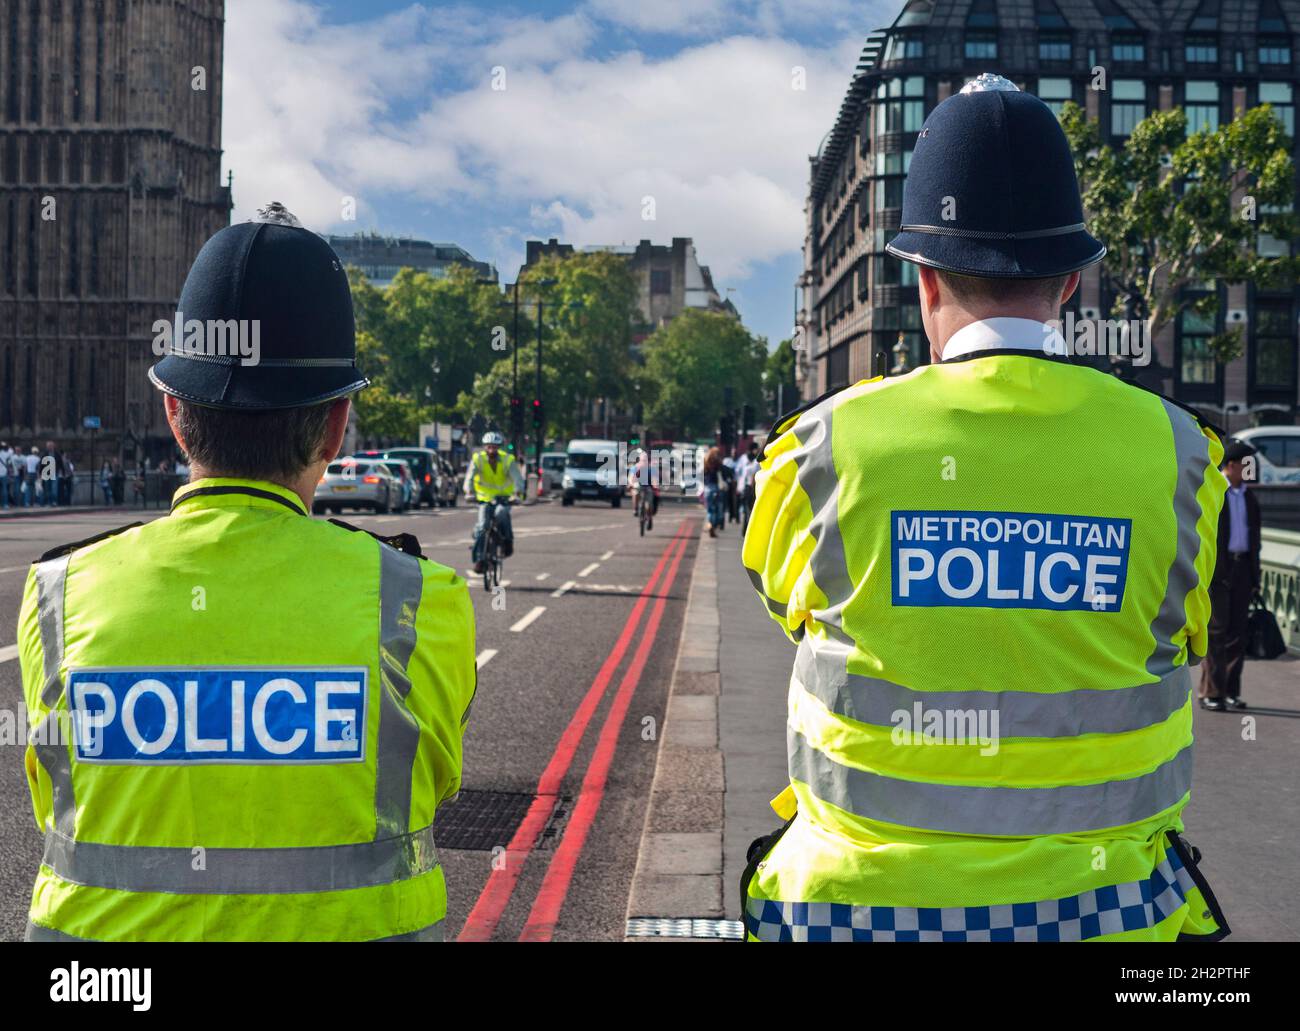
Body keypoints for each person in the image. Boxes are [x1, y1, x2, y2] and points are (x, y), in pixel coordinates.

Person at [741, 76, 1229, 942]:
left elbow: (791, 610)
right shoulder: (1183, 456)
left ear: (923, 277)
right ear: (1072, 281)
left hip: (853, 911)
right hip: (1107, 915)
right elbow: (1190, 636)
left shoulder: (816, 451)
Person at [18, 201, 476, 942]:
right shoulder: (420, 598)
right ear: (335, 425)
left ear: (174, 411)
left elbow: (56, 805)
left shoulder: (57, 595)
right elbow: (436, 781)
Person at [1200, 440, 1262, 712]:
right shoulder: (1216, 492)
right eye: (1248, 463)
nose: (1252, 468)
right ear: (1233, 465)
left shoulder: (1249, 497)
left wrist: (1254, 578)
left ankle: (1231, 692)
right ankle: (1212, 691)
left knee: (1238, 632)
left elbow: (1254, 539)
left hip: (1243, 571)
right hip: (1218, 572)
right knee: (1216, 632)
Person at [464, 430, 524, 573]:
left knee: (502, 513)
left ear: (499, 447)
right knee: (483, 525)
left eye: (495, 446)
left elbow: (517, 479)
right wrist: (468, 492)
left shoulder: (507, 460)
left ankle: (507, 541)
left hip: (504, 497)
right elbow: (469, 478)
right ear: (485, 447)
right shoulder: (478, 459)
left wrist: (517, 494)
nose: (492, 449)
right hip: (484, 498)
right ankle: (479, 559)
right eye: (489, 446)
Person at [733, 440, 761, 533]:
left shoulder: (757, 460)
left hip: (753, 487)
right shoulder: (744, 459)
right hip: (746, 487)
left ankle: (746, 528)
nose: (757, 451)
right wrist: (737, 485)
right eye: (756, 449)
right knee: (746, 509)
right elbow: (738, 471)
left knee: (749, 509)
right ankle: (746, 528)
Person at [627, 446, 660, 522]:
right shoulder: (635, 467)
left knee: (649, 504)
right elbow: (631, 477)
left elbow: (655, 478)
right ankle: (635, 509)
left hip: (648, 486)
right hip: (638, 485)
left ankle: (649, 516)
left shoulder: (652, 468)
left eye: (645, 460)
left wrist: (655, 486)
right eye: (642, 460)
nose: (644, 462)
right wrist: (631, 484)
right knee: (635, 493)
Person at [701, 446, 726, 538]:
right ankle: (713, 526)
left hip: (707, 488)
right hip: (716, 488)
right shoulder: (718, 463)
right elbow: (723, 475)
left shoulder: (705, 462)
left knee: (710, 509)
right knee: (718, 509)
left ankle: (710, 524)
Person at [0, 440, 12, 509]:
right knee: (4, 489)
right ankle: (5, 504)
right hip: (4, 473)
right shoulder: (6, 454)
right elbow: (9, 463)